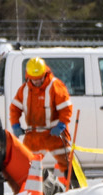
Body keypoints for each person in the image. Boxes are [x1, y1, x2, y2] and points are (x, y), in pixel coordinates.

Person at [9, 56, 75, 186]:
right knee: (28, 165)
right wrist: (15, 125)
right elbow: (15, 108)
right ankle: (30, 193)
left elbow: (66, 108)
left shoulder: (55, 86)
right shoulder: (24, 90)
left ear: (45, 73)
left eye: (39, 78)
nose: (37, 82)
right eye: (34, 79)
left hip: (55, 134)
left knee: (67, 164)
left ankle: (75, 190)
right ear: (28, 76)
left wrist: (62, 125)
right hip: (34, 136)